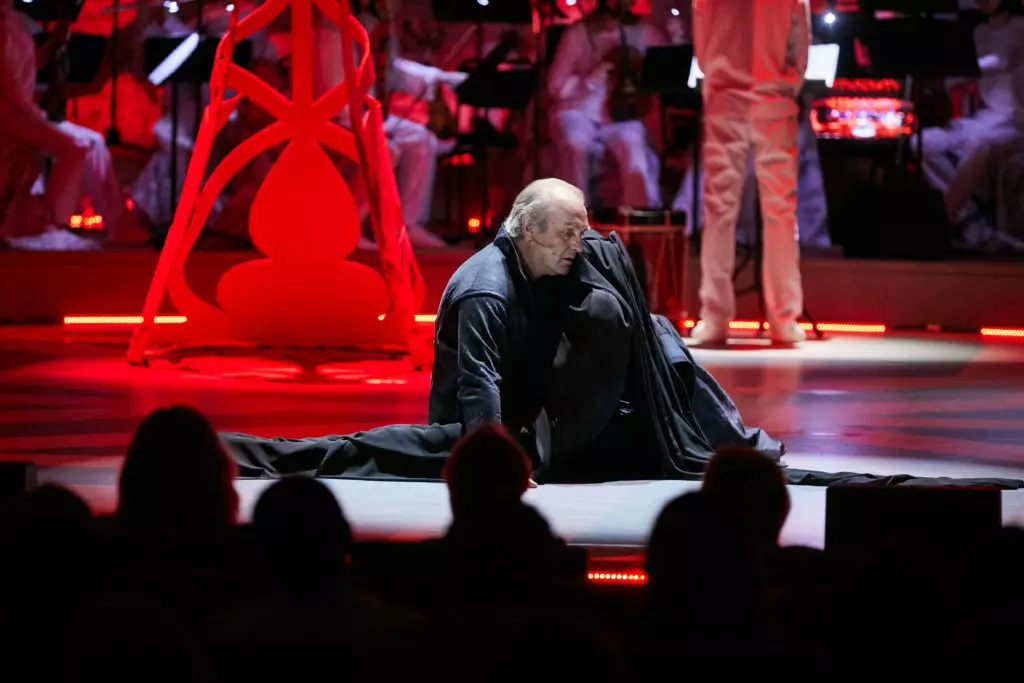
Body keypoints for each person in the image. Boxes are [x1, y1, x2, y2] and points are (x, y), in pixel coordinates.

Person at [224, 178, 783, 483]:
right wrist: (498, 464)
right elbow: (477, 382)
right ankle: (243, 456)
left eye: (582, 231)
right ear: (527, 231)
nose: (578, 245)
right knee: (368, 453)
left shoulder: (555, 258)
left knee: (655, 338)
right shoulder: (485, 289)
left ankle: (730, 442)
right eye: (567, 233)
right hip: (484, 431)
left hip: (543, 411)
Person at [690, 0, 809, 345]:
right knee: (780, 213)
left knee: (719, 212)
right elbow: (800, 46)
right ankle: (783, 319)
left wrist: (718, 85)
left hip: (727, 101)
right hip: (772, 102)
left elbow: (703, 47)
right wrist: (786, 86)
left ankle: (714, 317)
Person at [311, 0, 467, 248]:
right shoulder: (332, 31)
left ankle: (406, 224)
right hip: (340, 118)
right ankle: (346, 225)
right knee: (384, 149)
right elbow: (336, 97)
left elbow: (393, 69)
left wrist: (440, 77)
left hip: (366, 115)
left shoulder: (371, 30)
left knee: (420, 138)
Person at [0, 0, 136, 250]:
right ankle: (52, 227)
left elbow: (26, 67)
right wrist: (37, 116)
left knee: (93, 142)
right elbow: (10, 85)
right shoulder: (5, 25)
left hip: (24, 111)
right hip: (11, 114)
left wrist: (53, 44)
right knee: (74, 146)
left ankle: (120, 227)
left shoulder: (15, 21)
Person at [922, 0, 1024, 248]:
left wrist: (960, 69)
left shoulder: (1021, 28)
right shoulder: (979, 32)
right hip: (986, 119)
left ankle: (942, 224)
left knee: (978, 145)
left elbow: (1000, 60)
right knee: (923, 143)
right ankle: (969, 219)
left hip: (1017, 121)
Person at [546, 0, 663, 208]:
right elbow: (555, 86)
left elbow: (665, 64)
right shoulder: (579, 34)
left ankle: (636, 221)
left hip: (620, 114)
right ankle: (573, 221)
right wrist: (592, 78)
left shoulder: (643, 32)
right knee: (575, 146)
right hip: (578, 111)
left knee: (634, 148)